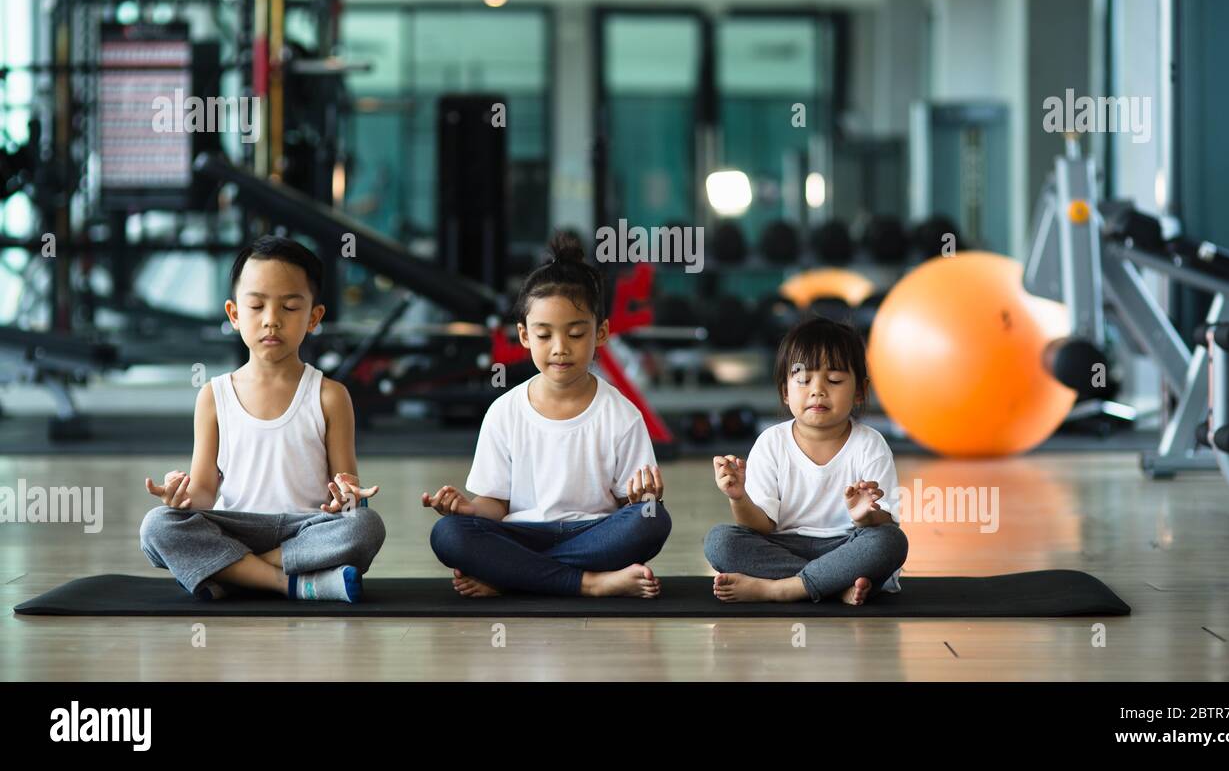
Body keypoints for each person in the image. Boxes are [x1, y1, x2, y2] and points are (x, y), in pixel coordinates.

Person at [139, 235, 385, 602]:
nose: (272, 321)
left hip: (307, 527)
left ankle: (231, 572)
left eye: (289, 307)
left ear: (314, 317)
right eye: (256, 306)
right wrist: (180, 497)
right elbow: (205, 492)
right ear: (234, 315)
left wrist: (347, 499)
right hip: (237, 527)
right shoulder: (213, 396)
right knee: (157, 526)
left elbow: (346, 490)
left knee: (365, 526)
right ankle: (289, 582)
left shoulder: (330, 395)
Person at [427, 233, 670, 598]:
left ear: (600, 333)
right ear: (524, 336)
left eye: (575, 334)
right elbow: (496, 505)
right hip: (523, 533)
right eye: (544, 335)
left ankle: (513, 576)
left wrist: (642, 499)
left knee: (653, 520)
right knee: (448, 534)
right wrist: (468, 508)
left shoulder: (622, 414)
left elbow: (628, 509)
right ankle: (588, 583)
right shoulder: (504, 411)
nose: (560, 349)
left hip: (592, 534)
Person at [705, 315, 908, 604]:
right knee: (720, 541)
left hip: (846, 547)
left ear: (861, 391)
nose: (818, 390)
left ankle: (780, 589)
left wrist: (867, 516)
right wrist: (738, 498)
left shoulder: (870, 444)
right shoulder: (771, 442)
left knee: (889, 542)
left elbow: (887, 522)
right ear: (786, 392)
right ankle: (832, 586)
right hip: (783, 546)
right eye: (803, 379)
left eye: (835, 380)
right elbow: (761, 527)